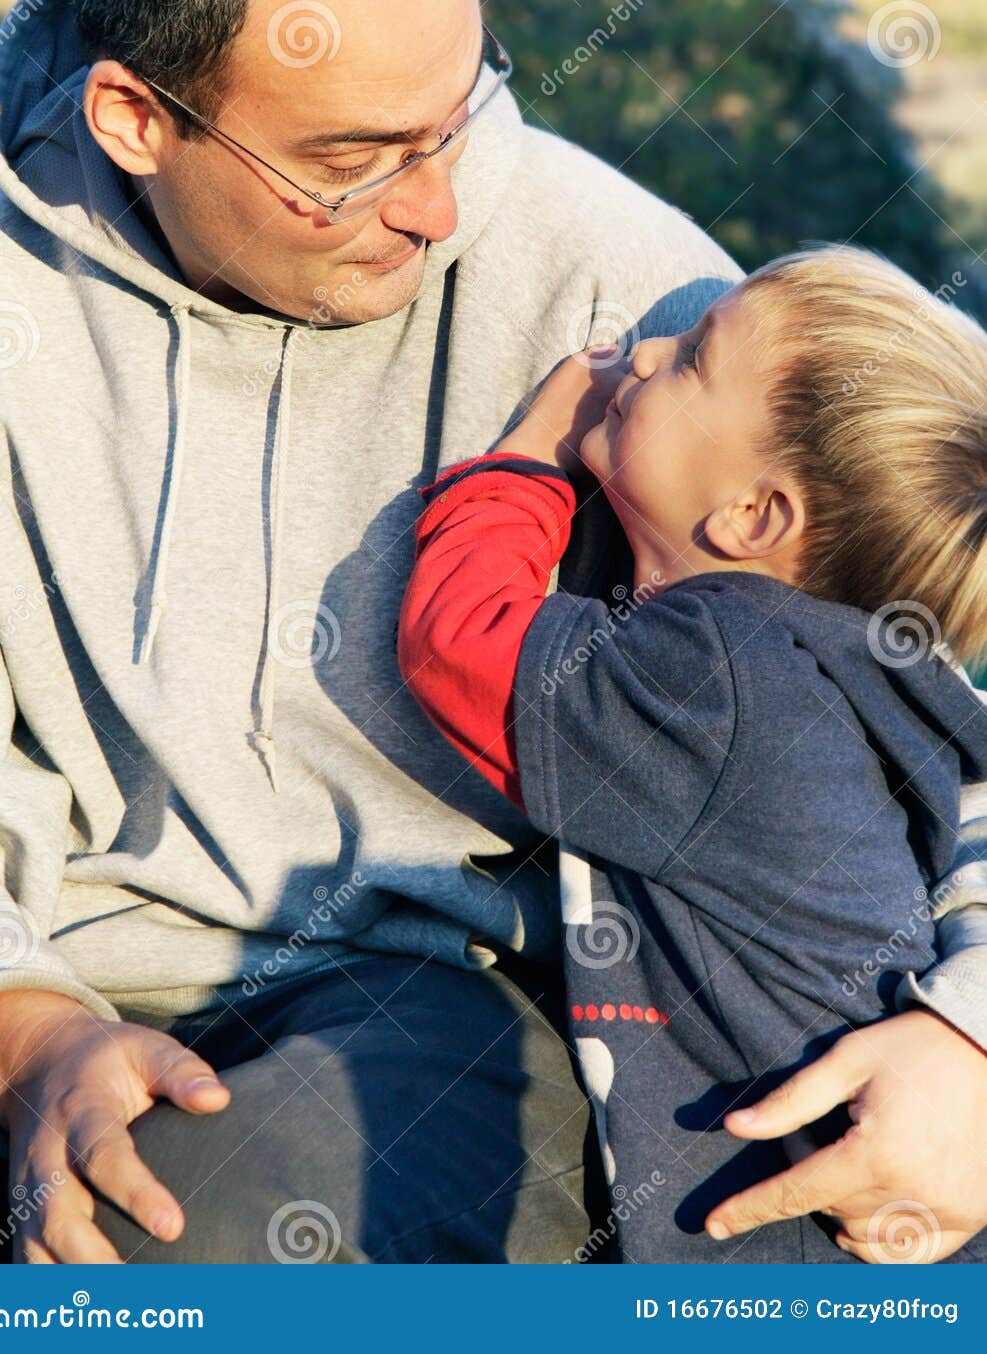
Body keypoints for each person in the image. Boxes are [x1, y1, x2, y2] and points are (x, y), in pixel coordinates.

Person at [0, 0, 985, 1266]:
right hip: (25, 967)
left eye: (458, 114)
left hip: (424, 995)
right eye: (353, 163)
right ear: (132, 117)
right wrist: (7, 1028)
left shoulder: (639, 320)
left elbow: (913, 718)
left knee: (191, 1250)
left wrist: (969, 1038)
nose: (437, 205)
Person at [399, 246, 987, 1261]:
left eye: (690, 360)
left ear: (752, 515)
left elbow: (458, 641)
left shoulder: (713, 666)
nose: (643, 350)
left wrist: (533, 453)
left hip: (799, 1244)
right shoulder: (860, 674)